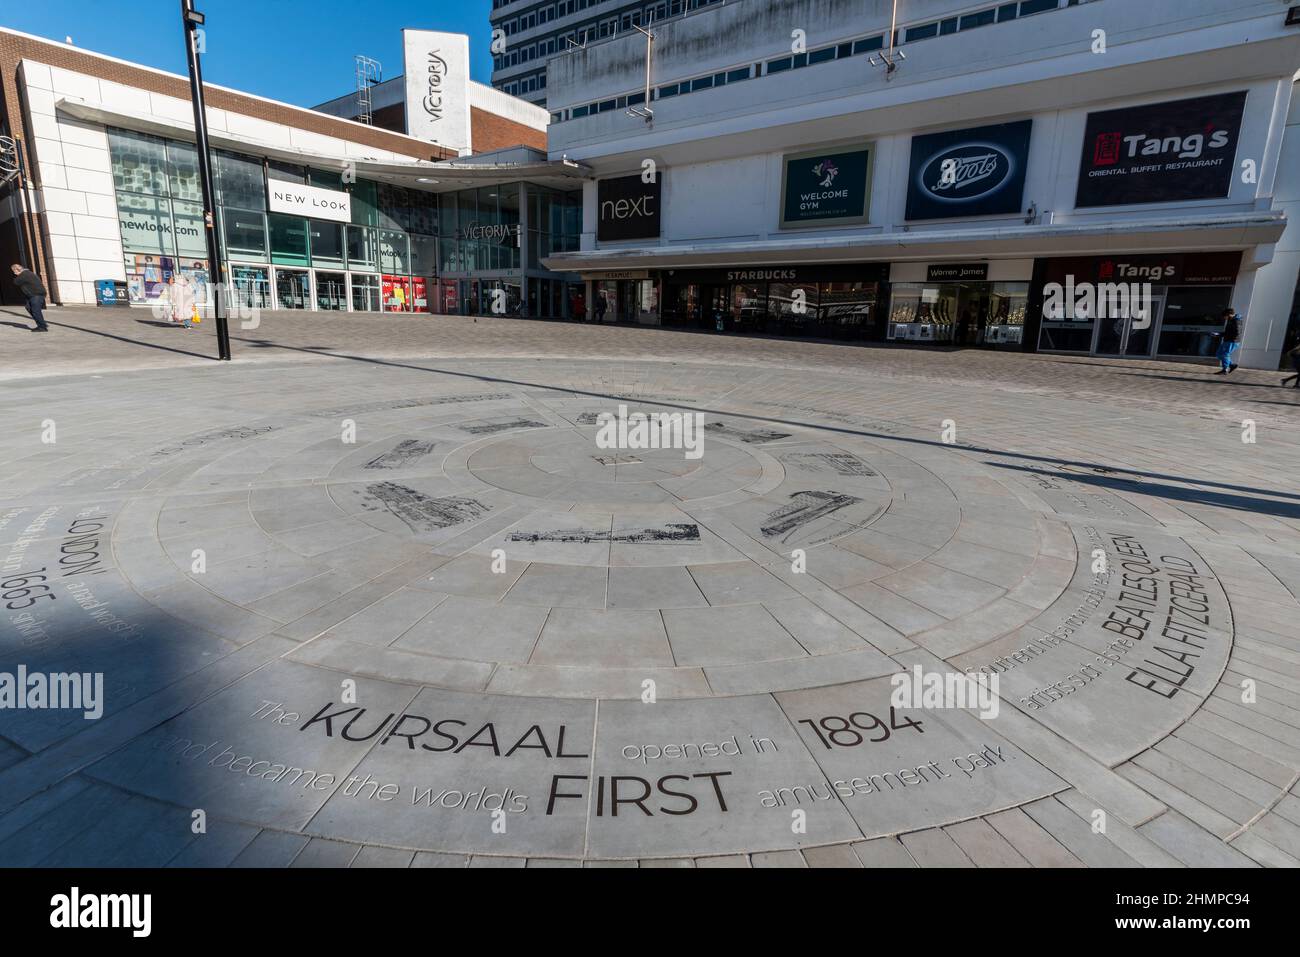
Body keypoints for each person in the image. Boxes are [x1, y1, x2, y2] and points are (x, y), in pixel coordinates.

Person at [9, 263, 49, 332]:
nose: (14, 272)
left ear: (17, 270)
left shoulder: (24, 274)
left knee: (35, 310)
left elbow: (16, 282)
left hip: (36, 294)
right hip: (34, 294)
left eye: (14, 271)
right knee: (28, 307)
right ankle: (42, 323)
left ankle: (42, 327)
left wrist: (16, 275)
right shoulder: (27, 273)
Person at [1213, 308, 1243, 375]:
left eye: (1225, 316)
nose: (1224, 318)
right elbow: (1228, 332)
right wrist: (1219, 334)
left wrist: (1229, 338)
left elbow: (1237, 333)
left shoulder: (1236, 321)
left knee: (1225, 354)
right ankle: (1231, 365)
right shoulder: (1231, 320)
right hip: (1227, 340)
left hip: (1232, 341)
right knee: (1219, 354)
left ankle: (1225, 369)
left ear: (1229, 315)